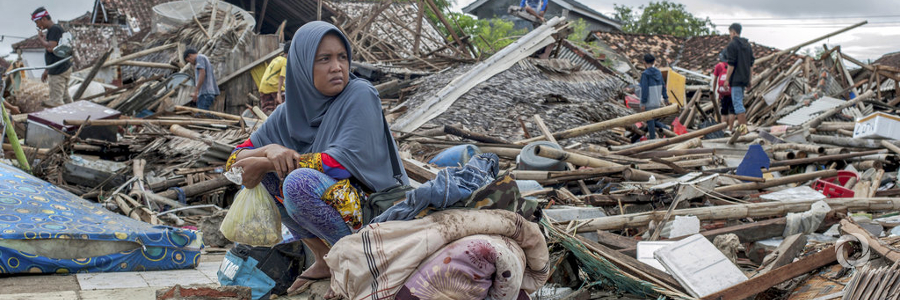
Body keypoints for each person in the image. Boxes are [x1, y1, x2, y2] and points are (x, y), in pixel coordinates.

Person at [225, 21, 409, 296]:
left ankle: (354, 261)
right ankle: (324, 258)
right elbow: (233, 164)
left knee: (298, 182)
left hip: (377, 209)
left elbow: (338, 164)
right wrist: (267, 150)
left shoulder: (360, 94)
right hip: (340, 208)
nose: (337, 67)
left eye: (342, 57)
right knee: (267, 177)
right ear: (301, 66)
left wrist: (265, 161)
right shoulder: (287, 113)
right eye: (324, 59)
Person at [32, 7, 72, 107]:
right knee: (65, 97)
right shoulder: (54, 29)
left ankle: (63, 120)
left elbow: (51, 48)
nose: (37, 25)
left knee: (56, 101)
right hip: (60, 67)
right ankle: (75, 115)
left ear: (43, 19)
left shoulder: (54, 29)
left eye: (37, 22)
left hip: (58, 70)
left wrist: (40, 39)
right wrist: (47, 70)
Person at [724, 23, 754, 134]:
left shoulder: (732, 45)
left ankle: (743, 130)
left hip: (736, 80)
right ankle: (743, 129)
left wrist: (727, 79)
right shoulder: (747, 45)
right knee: (739, 103)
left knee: (737, 104)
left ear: (733, 32)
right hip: (744, 78)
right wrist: (749, 80)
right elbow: (751, 64)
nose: (730, 35)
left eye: (730, 33)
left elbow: (731, 64)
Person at [639, 53, 669, 139]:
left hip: (649, 102)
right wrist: (666, 98)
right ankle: (667, 129)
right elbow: (663, 86)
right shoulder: (658, 72)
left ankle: (652, 140)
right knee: (651, 120)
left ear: (644, 62)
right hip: (657, 101)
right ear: (654, 62)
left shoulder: (645, 74)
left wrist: (643, 103)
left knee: (650, 122)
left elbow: (644, 89)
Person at [258, 41, 290, 115]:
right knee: (286, 104)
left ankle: (269, 120)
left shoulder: (277, 58)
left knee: (267, 108)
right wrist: (278, 93)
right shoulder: (285, 61)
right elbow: (281, 77)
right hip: (273, 86)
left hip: (264, 86)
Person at [713, 52, 735, 132]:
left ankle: (723, 129)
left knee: (724, 112)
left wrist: (714, 91)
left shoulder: (719, 66)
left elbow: (715, 80)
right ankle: (730, 129)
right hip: (732, 92)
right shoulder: (733, 66)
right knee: (732, 111)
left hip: (722, 92)